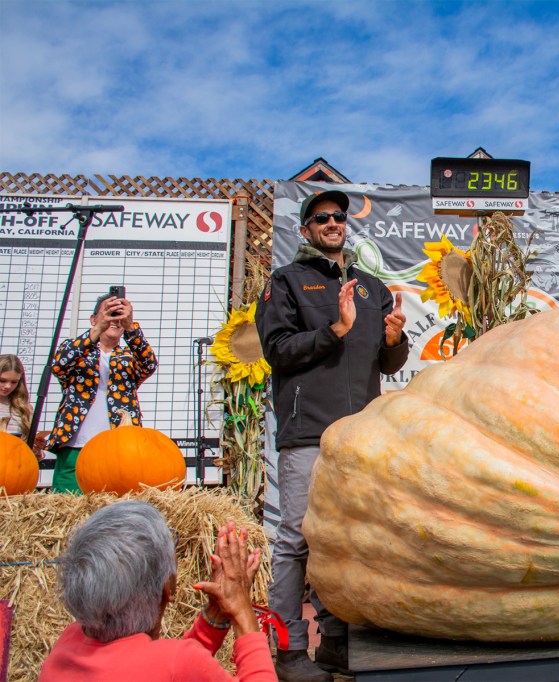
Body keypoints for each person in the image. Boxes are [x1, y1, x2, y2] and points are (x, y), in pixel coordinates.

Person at [256, 189, 409, 681]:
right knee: (297, 541)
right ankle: (289, 652)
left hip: (357, 437)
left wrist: (394, 341)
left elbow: (389, 363)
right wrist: (336, 331)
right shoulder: (286, 282)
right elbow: (277, 349)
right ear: (305, 230)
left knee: (344, 542)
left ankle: (336, 645)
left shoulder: (370, 288)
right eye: (320, 218)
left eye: (338, 216)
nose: (332, 222)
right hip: (306, 433)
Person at [39, 500, 276, 681]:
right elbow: (176, 667)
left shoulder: (68, 642)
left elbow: (164, 669)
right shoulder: (177, 662)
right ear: (165, 590)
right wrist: (242, 612)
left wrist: (214, 617)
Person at [44, 290, 158, 493]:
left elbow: (149, 364)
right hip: (76, 444)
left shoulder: (128, 356)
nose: (114, 321)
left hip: (119, 448)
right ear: (93, 319)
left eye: (118, 316)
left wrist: (131, 327)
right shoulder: (75, 348)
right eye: (108, 314)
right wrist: (98, 330)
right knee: (69, 505)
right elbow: (60, 365)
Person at [0, 354, 32, 444]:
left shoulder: (24, 408)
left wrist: (37, 451)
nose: (8, 386)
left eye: (14, 382)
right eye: (2, 380)